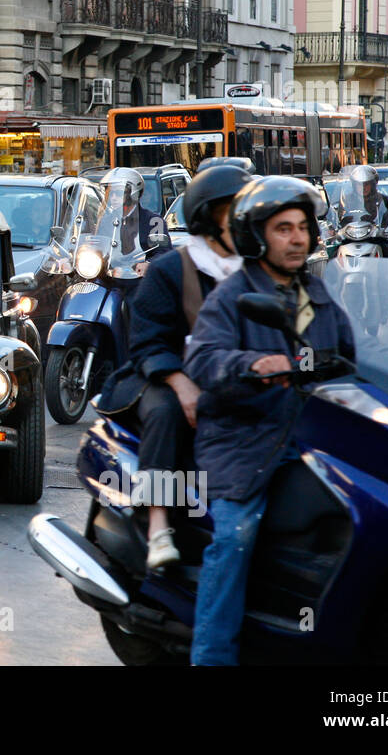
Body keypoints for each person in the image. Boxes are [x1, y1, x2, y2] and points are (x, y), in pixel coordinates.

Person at [182, 177, 355, 665]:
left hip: (313, 435)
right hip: (244, 438)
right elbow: (203, 360)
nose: (298, 239)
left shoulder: (318, 295)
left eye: (303, 228)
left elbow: (350, 355)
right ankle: (211, 657)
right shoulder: (233, 295)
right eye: (283, 229)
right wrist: (252, 364)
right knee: (235, 537)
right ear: (257, 235)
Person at [98, 164, 253, 569]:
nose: (244, 219)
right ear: (208, 217)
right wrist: (180, 381)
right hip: (163, 374)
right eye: (233, 211)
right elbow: (147, 340)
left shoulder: (256, 269)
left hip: (231, 376)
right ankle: (158, 525)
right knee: (167, 410)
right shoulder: (171, 269)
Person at [101, 167, 168, 276]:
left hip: (139, 278)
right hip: (109, 277)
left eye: (118, 193)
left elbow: (163, 252)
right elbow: (97, 246)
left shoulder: (154, 222)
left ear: (134, 193)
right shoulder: (106, 221)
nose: (113, 197)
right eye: (110, 193)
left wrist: (148, 264)